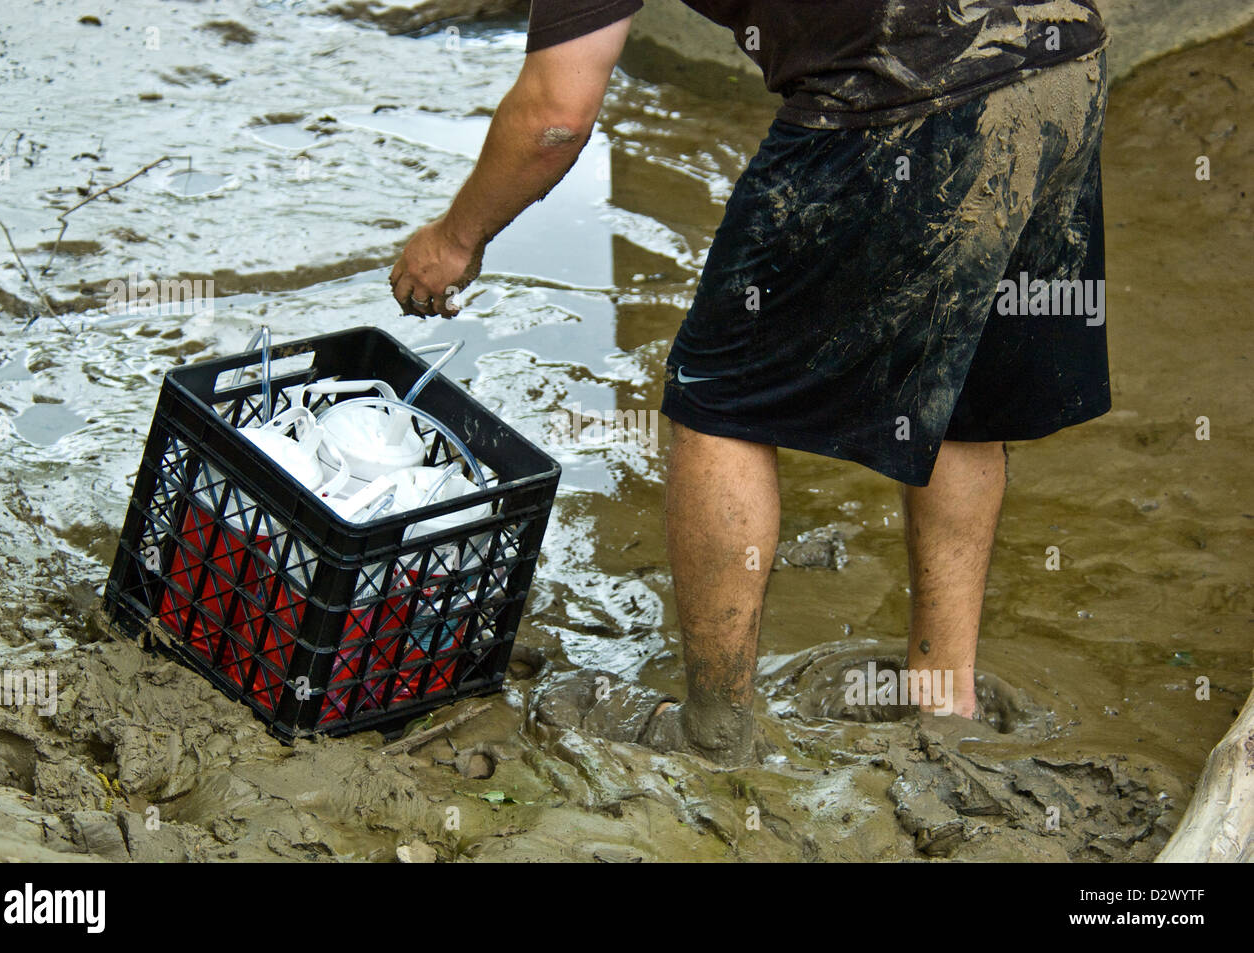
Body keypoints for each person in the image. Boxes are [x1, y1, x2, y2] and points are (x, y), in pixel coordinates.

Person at [390, 0, 1111, 766]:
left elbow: (556, 117)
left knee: (718, 401)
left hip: (907, 89)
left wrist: (455, 238)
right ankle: (944, 700)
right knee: (961, 394)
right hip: (1062, 58)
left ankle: (713, 728)